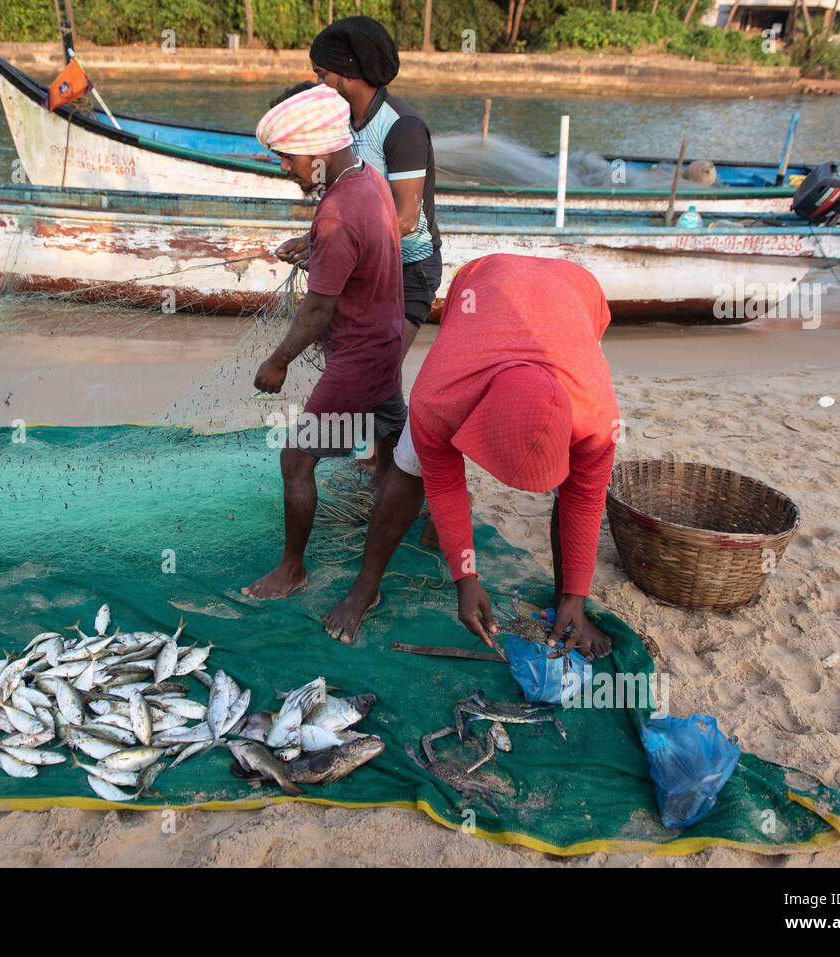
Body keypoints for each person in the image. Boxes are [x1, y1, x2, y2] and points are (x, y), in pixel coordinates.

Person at [322, 254, 620, 660]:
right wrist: (465, 577)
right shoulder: (439, 395)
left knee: (573, 495)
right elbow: (445, 482)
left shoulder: (597, 420)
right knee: (411, 469)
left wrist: (578, 594)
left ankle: (565, 603)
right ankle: (365, 585)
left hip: (576, 294)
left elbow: (585, 500)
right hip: (483, 283)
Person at [241, 84, 407, 601]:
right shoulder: (368, 181)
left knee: (296, 457)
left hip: (357, 357)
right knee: (392, 432)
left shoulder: (335, 213)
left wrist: (278, 361)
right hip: (387, 340)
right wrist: (314, 246)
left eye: (287, 158)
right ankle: (399, 506)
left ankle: (293, 569)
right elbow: (364, 249)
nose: (284, 169)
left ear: (315, 150)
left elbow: (318, 309)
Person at [276, 15, 441, 357]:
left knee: (375, 372)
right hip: (366, 268)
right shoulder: (341, 123)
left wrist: (330, 245)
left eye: (322, 75)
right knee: (350, 369)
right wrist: (315, 241)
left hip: (409, 271)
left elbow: (406, 219)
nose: (318, 84)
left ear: (349, 73)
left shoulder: (401, 127)